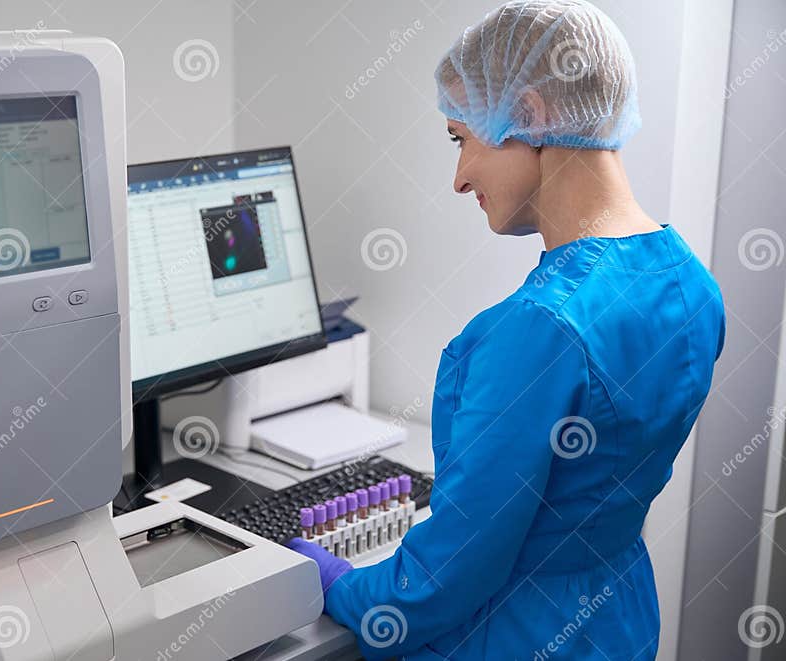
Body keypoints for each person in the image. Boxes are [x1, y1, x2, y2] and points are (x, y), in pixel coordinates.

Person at [286, 1, 727, 659]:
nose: (459, 179)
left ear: (531, 112)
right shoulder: (691, 283)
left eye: (460, 139)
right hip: (617, 621)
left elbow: (435, 585)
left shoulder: (541, 329)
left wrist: (335, 582)